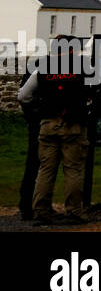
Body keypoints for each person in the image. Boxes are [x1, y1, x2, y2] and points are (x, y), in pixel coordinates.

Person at [17, 37, 101, 225]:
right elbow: (97, 88)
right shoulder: (82, 66)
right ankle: (74, 211)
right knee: (73, 169)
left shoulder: (42, 66)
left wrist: (39, 111)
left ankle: (41, 210)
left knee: (45, 169)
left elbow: (23, 96)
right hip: (73, 123)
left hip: (47, 123)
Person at [17, 67, 40, 221]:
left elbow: (24, 96)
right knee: (42, 167)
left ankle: (29, 204)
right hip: (41, 120)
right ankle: (33, 205)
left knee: (35, 165)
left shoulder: (36, 66)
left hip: (36, 120)